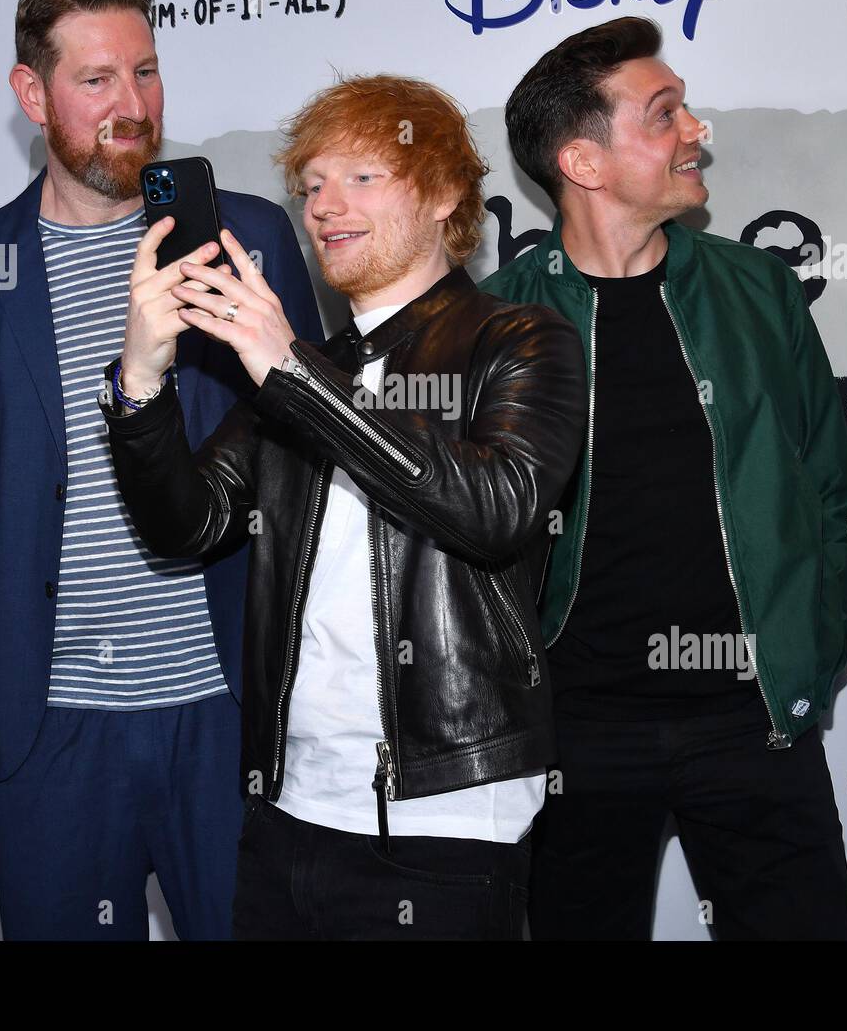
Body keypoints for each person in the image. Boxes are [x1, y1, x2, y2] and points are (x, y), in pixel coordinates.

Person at [100, 74, 588, 939]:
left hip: (446, 819)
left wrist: (293, 373)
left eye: (362, 177)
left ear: (443, 195)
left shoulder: (520, 338)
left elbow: (496, 508)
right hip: (286, 813)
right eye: (313, 183)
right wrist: (140, 385)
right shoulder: (301, 368)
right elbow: (191, 525)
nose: (327, 205)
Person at [0, 0, 323, 940]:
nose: (131, 106)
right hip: (53, 731)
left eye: (146, 72)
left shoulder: (245, 238)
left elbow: (305, 454)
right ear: (30, 92)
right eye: (96, 80)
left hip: (229, 716)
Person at [480, 16, 847, 940]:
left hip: (757, 721)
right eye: (665, 116)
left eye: (686, 109)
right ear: (583, 161)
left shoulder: (758, 291)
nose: (696, 131)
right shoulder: (497, 323)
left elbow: (832, 489)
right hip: (575, 735)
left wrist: (814, 645)